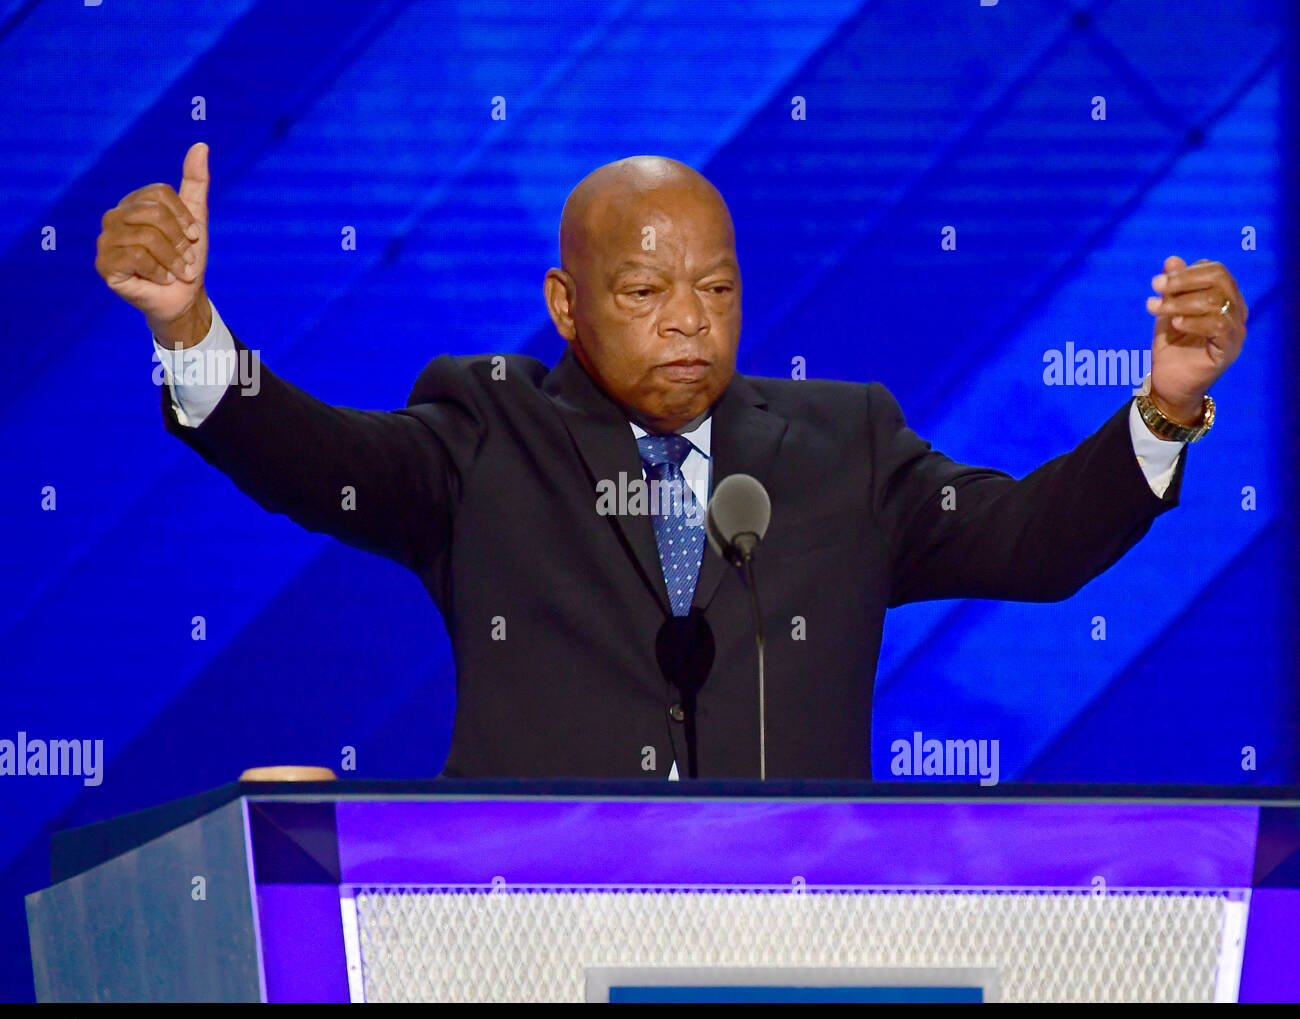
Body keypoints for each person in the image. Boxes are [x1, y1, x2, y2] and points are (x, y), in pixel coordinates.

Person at [95, 143, 1248, 780]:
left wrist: (1161, 405)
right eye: (645, 292)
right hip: (530, 929)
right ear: (567, 303)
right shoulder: (485, 434)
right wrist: (191, 333)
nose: (689, 321)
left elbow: (1031, 542)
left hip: (795, 938)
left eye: (717, 288)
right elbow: (315, 458)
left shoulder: (842, 445)